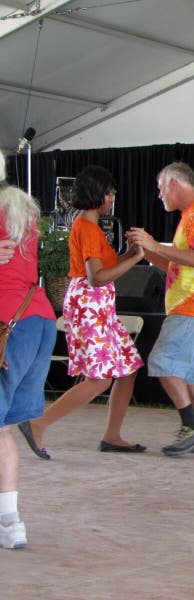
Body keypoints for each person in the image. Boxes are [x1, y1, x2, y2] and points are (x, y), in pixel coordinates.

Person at [19, 166, 146, 459]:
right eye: (110, 192)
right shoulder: (87, 228)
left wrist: (128, 253)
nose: (113, 196)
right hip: (91, 306)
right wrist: (135, 259)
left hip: (97, 307)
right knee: (100, 378)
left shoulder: (88, 225)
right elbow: (97, 278)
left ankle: (112, 435)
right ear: (98, 194)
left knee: (128, 368)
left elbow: (104, 269)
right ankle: (38, 424)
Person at [126, 162, 194, 456]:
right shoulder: (191, 214)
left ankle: (192, 428)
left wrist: (155, 246)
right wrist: (146, 251)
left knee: (162, 360)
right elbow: (179, 264)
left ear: (174, 183)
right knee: (188, 375)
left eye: (160, 187)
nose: (159, 194)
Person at [0, 153, 57, 549]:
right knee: (2, 428)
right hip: (36, 320)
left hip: (7, 325)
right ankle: (10, 523)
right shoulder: (20, 207)